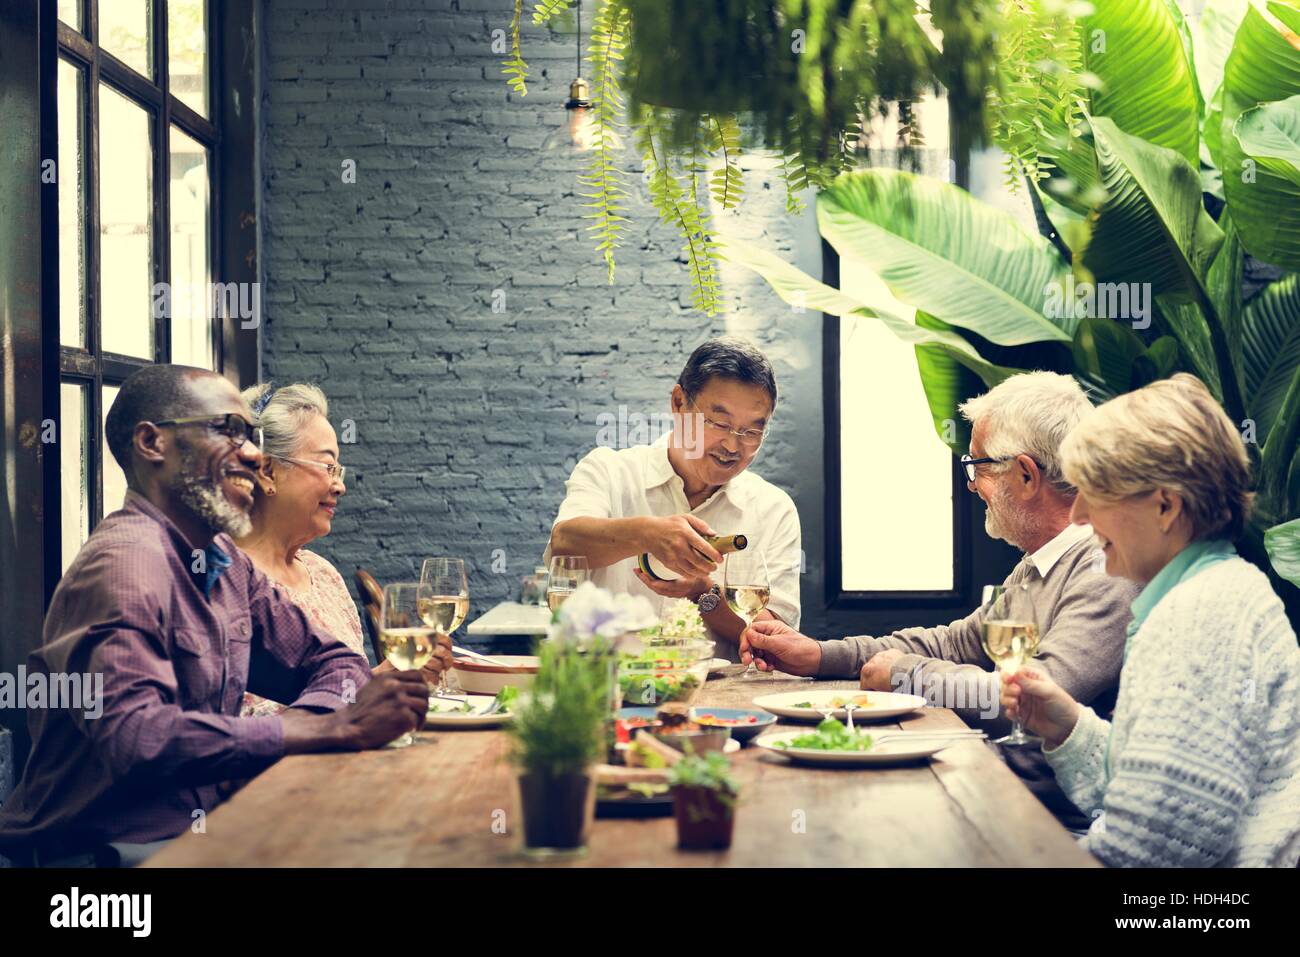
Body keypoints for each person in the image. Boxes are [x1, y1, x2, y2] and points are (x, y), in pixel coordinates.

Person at [0, 365, 446, 867]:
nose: (254, 454)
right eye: (228, 431)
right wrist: (325, 729)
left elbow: (335, 661)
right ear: (153, 443)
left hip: (216, 831)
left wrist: (313, 724)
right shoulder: (124, 566)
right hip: (110, 858)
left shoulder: (222, 560)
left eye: (252, 436)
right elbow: (139, 738)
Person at [741, 371, 1138, 828]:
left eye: (979, 468)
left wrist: (908, 676)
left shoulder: (1103, 569)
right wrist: (818, 655)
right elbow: (952, 644)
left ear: (1026, 475)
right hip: (996, 792)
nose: (971, 485)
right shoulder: (1038, 565)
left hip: (1051, 826)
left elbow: (1041, 695)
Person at [1002, 374, 1300, 867]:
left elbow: (1157, 848)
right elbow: (1158, 788)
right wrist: (1069, 726)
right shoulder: (1213, 590)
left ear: (1165, 505)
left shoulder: (1200, 615)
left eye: (1094, 492)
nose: (1077, 515)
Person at [547, 336, 801, 658]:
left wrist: (703, 592)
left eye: (751, 432)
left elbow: (773, 639)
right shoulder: (609, 472)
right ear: (679, 403)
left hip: (723, 703)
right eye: (719, 423)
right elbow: (565, 543)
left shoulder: (773, 508)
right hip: (607, 691)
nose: (733, 447)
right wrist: (648, 535)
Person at [234, 382, 418, 715]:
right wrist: (373, 685)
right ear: (267, 471)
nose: (340, 485)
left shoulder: (323, 574)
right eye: (327, 466)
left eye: (339, 469)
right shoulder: (227, 584)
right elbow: (233, 722)